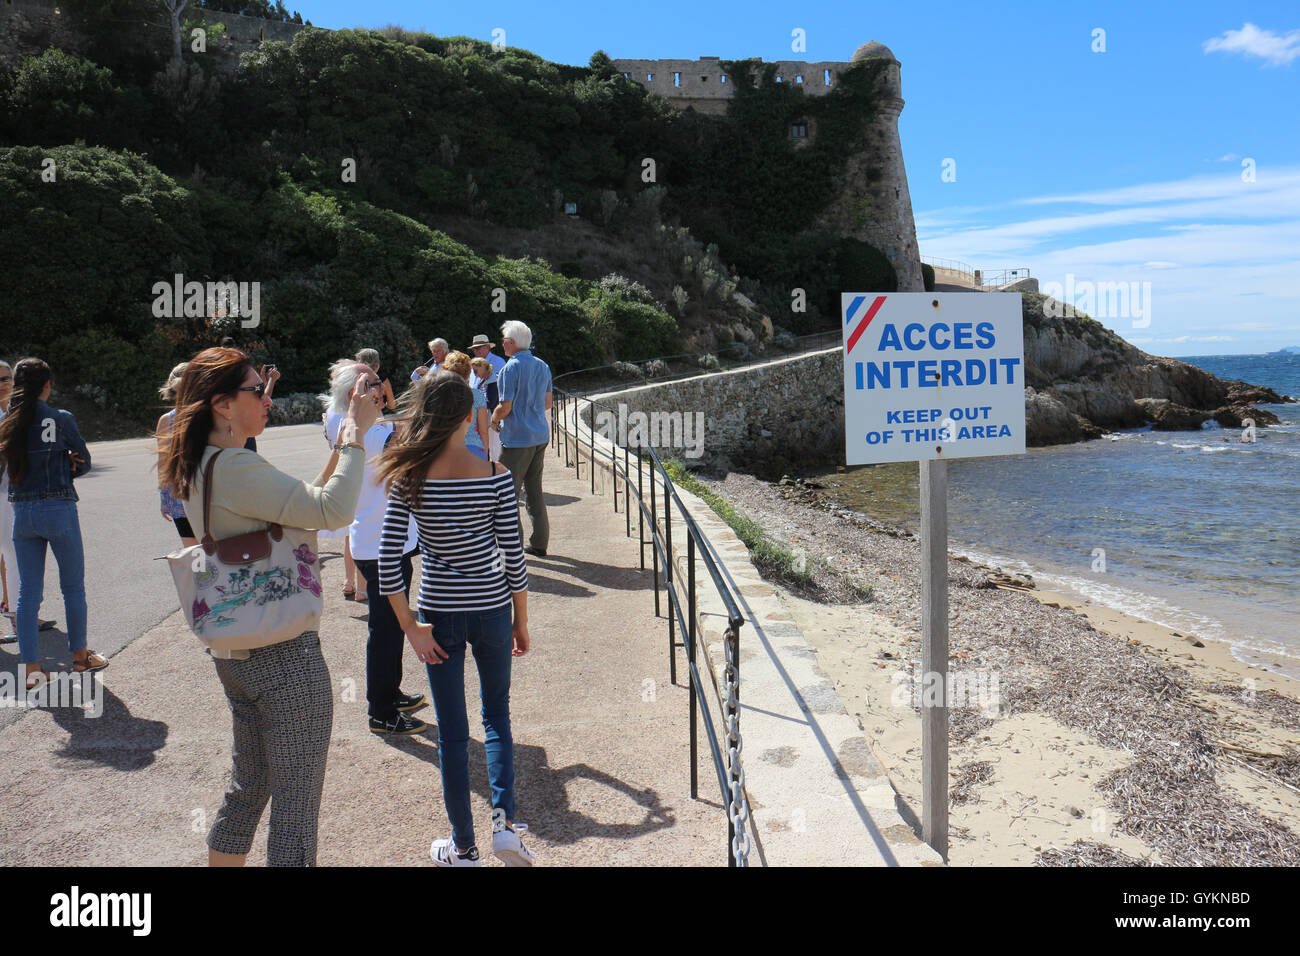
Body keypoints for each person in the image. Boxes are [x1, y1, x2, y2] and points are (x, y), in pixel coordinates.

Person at [161, 346, 380, 867]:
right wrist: (354, 433)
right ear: (221, 404)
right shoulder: (234, 465)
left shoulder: (205, 462)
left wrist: (347, 436)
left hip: (238, 651)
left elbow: (306, 496)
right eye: (256, 391)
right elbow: (331, 510)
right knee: (296, 812)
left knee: (247, 790)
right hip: (284, 657)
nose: (267, 399)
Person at [376, 371, 534, 867]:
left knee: (450, 729)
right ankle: (504, 828)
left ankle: (463, 846)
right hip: (491, 607)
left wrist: (410, 627)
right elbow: (514, 556)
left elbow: (389, 563)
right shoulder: (496, 475)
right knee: (497, 718)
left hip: (438, 612)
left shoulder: (409, 478)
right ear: (469, 416)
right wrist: (520, 620)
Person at [319, 360, 426, 736]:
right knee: (386, 629)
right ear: (355, 394)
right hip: (384, 542)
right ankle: (381, 710)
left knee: (391, 625)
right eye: (374, 383)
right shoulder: (373, 431)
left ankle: (389, 694)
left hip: (377, 537)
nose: (381, 387)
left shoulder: (342, 422)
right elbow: (412, 455)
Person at [0, 359, 107, 688]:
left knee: (28, 594)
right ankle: (80, 657)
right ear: (47, 385)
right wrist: (69, 464)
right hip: (59, 506)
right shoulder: (60, 418)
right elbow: (85, 461)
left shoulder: (9, 423)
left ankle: (32, 668)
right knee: (73, 587)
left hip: (23, 511)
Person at [491, 321, 553, 558]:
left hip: (517, 438)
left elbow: (504, 406)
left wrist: (494, 421)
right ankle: (539, 542)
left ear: (513, 342)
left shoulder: (510, 368)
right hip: (539, 434)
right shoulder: (542, 365)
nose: (502, 343)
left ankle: (511, 547)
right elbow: (548, 403)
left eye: (505, 339)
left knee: (508, 493)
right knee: (534, 490)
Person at [319, 359, 368, 602]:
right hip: (353, 471)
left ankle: (351, 580)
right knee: (357, 530)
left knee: (350, 531)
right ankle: (360, 585)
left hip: (339, 472)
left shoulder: (330, 412)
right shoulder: (352, 412)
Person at [155, 363, 198, 548]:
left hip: (180, 497)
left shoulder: (166, 420)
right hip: (210, 494)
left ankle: (200, 576)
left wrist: (164, 500)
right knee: (217, 553)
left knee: (194, 553)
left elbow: (164, 464)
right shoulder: (213, 415)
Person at [442, 351, 490, 462]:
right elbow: (483, 431)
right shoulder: (478, 395)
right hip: (475, 448)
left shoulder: (440, 394)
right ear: (468, 372)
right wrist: (485, 455)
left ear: (446, 369)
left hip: (447, 449)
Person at [470, 357, 500, 462]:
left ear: (482, 367)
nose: (475, 373)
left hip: (493, 421)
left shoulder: (493, 382)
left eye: (475, 370)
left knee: (495, 451)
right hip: (487, 419)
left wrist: (475, 405)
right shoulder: (486, 380)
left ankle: (498, 475)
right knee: (489, 448)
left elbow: (492, 402)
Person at [466, 334, 506, 406]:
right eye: (473, 349)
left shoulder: (498, 362)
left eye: (478, 348)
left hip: (491, 407)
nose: (475, 351)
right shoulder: (473, 364)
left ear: (487, 347)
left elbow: (500, 388)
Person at [355, 348, 397, 413]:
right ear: (377, 366)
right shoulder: (383, 380)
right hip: (375, 418)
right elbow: (392, 405)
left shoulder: (353, 379)